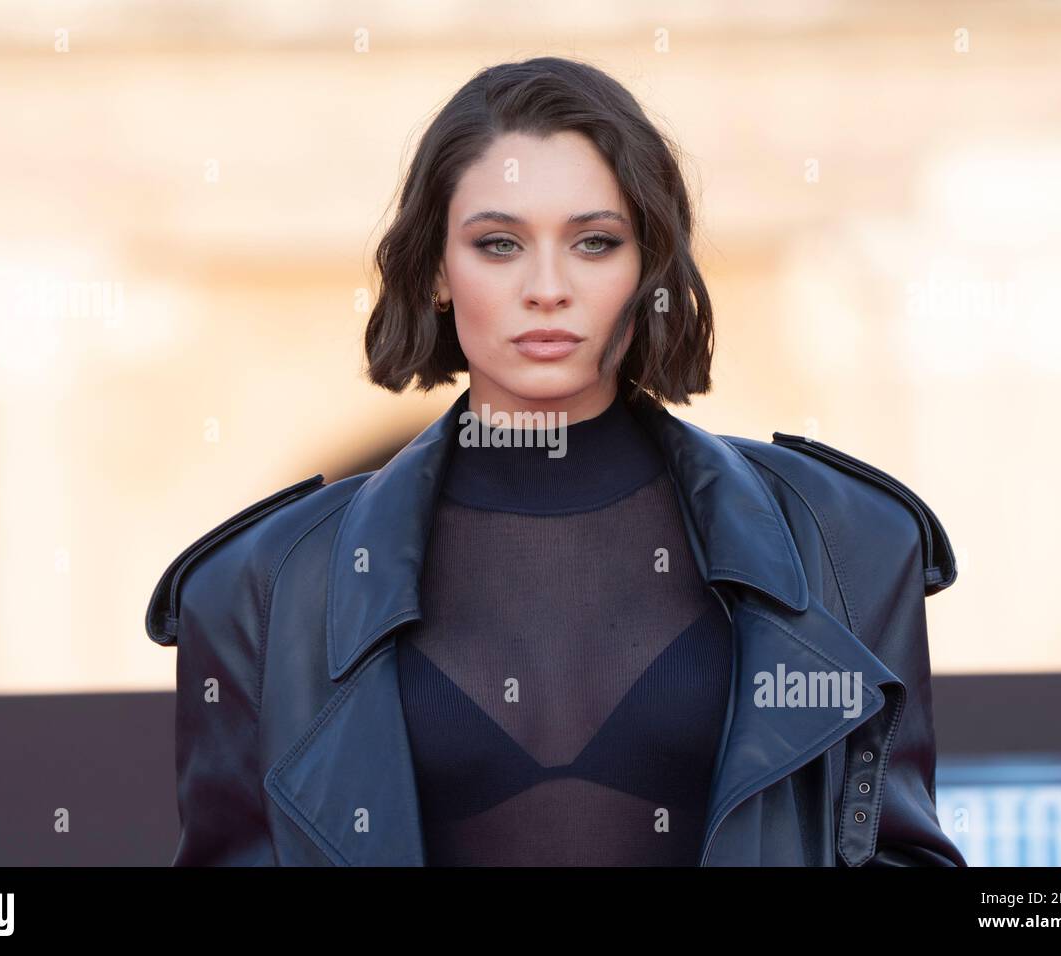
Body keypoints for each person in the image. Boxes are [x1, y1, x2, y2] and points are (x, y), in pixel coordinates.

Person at [145, 55, 966, 867]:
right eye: (499, 244)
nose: (547, 287)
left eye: (595, 242)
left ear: (650, 270)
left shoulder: (845, 545)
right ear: (435, 269)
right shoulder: (259, 590)